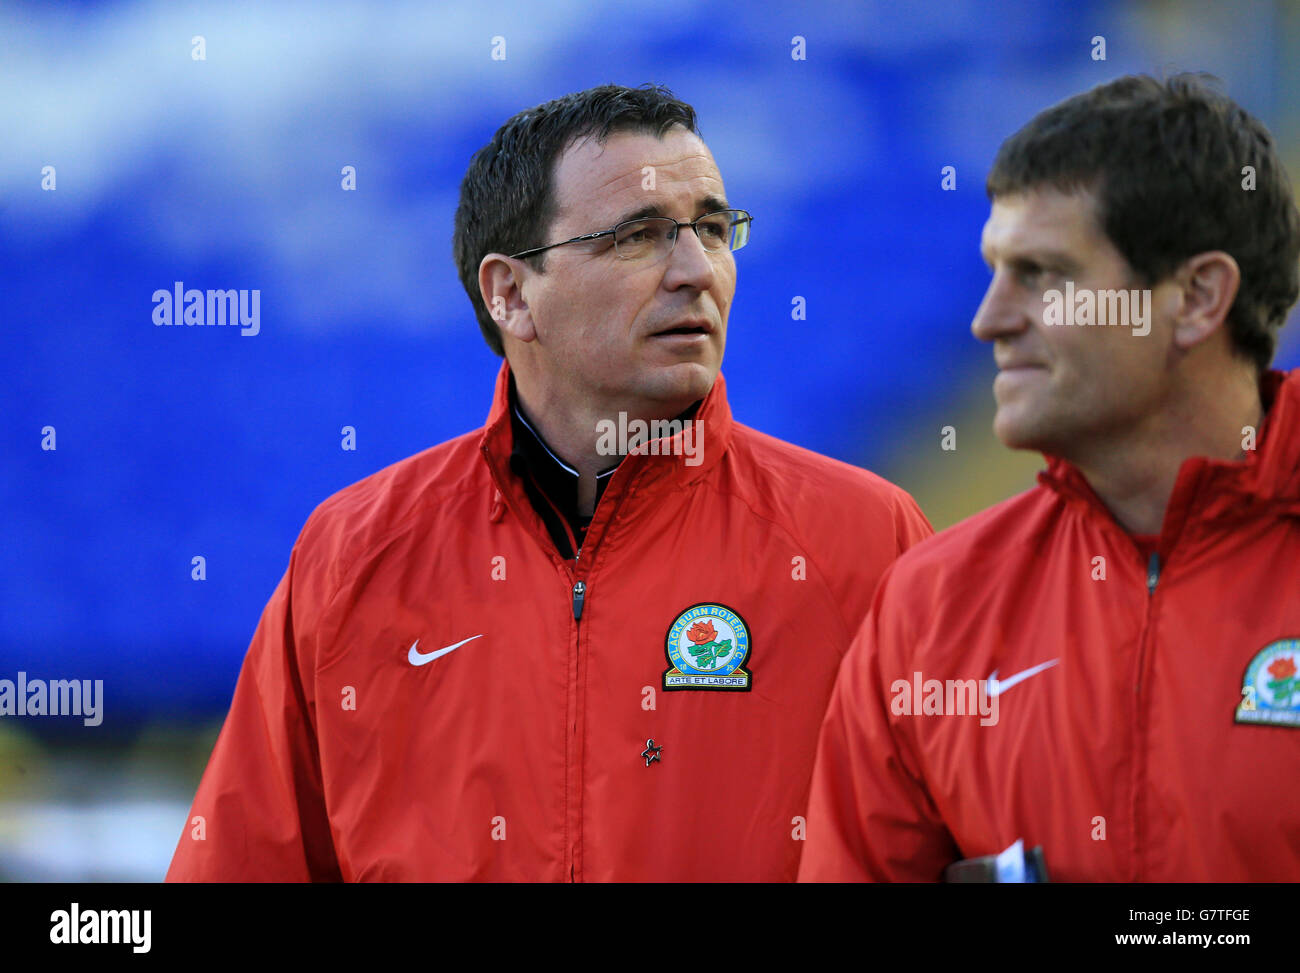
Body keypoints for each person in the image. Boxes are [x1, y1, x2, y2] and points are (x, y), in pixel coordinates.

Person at [165, 83, 931, 882]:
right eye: (641, 235)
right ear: (511, 294)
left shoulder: (865, 539)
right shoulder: (352, 554)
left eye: (713, 227)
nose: (698, 270)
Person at [798, 73, 1300, 883]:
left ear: (1198, 297)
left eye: (1043, 273)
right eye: (997, 269)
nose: (989, 318)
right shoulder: (929, 609)